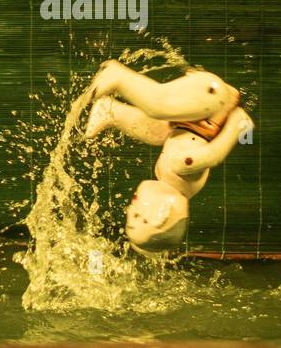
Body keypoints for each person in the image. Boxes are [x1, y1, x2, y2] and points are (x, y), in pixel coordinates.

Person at [81, 60, 252, 255]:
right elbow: (215, 155)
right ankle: (119, 77)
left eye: (130, 217)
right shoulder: (181, 166)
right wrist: (240, 125)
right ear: (162, 214)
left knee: (158, 133)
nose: (130, 210)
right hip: (210, 99)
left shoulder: (173, 181)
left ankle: (111, 111)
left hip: (188, 118)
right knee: (157, 106)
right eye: (139, 216)